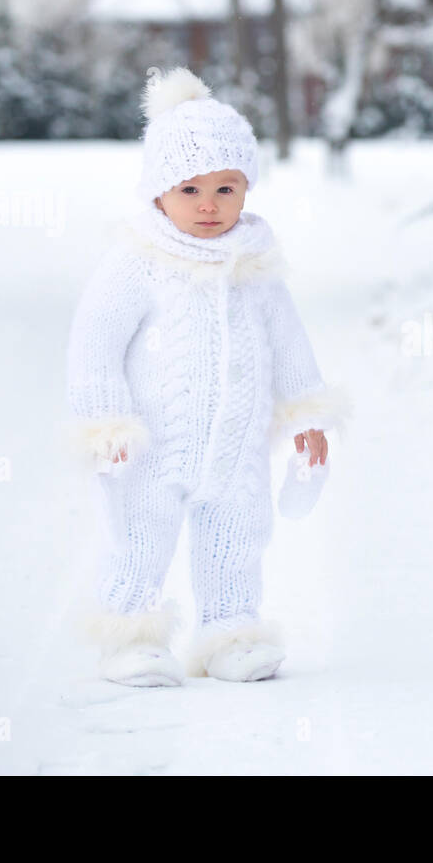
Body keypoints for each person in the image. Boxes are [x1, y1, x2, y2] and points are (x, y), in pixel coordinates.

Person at [64, 66, 351, 687]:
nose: (209, 206)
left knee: (238, 542)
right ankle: (130, 635)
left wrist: (307, 417)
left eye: (227, 189)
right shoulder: (138, 260)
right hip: (151, 451)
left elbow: (290, 344)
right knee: (140, 542)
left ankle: (231, 631)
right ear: (158, 192)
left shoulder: (256, 262)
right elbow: (95, 340)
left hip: (238, 449)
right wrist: (107, 420)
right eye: (190, 190)